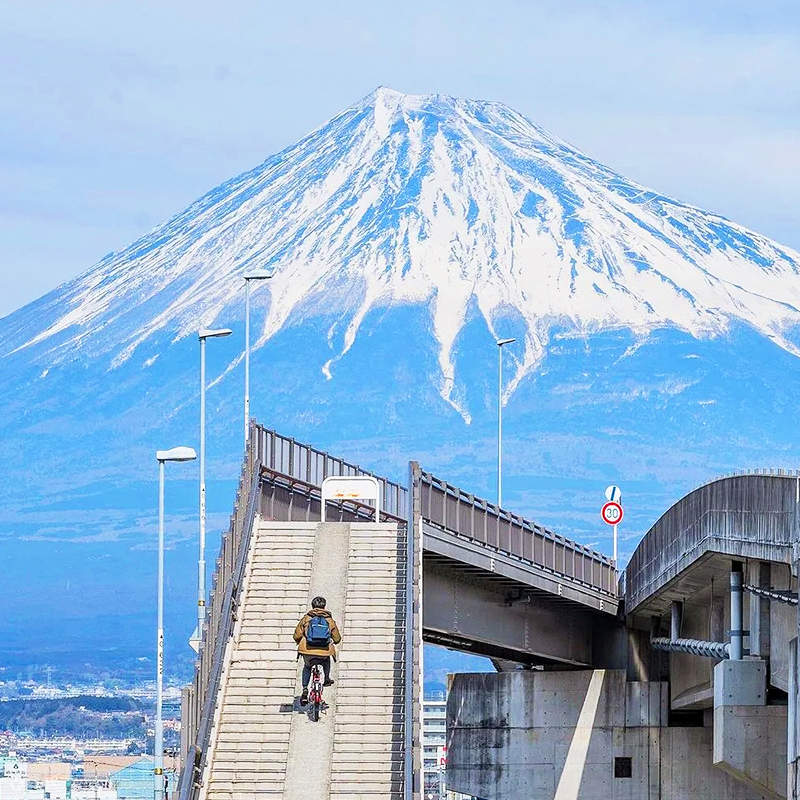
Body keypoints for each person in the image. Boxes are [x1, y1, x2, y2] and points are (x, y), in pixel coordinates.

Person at [293, 595, 342, 705]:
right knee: (326, 660)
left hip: (307, 650)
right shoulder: (329, 620)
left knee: (307, 667)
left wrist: (299, 640)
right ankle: (327, 679)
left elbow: (297, 635)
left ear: (312, 606)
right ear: (324, 607)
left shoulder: (307, 618)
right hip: (323, 651)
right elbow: (337, 638)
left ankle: (305, 689)